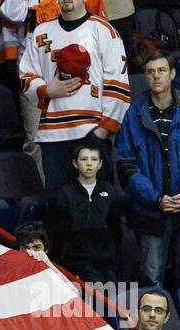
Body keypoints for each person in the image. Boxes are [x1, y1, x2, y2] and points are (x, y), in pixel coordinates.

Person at [115, 50, 180, 289]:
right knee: (151, 278)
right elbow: (126, 165)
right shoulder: (133, 115)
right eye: (150, 72)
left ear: (172, 74)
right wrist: (156, 198)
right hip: (150, 212)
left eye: (161, 71)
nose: (156, 76)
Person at [18, 0, 128, 193]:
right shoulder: (41, 32)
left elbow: (118, 82)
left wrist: (103, 130)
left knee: (99, 209)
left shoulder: (103, 30)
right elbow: (25, 75)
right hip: (52, 135)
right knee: (59, 210)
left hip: (91, 132)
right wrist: (46, 91)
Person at [45, 140, 120, 282]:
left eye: (94, 159)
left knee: (113, 298)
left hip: (107, 260)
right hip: (76, 261)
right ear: (75, 163)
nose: (89, 164)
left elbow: (116, 228)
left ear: (101, 164)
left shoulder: (110, 191)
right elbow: (54, 230)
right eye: (84, 159)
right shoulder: (63, 193)